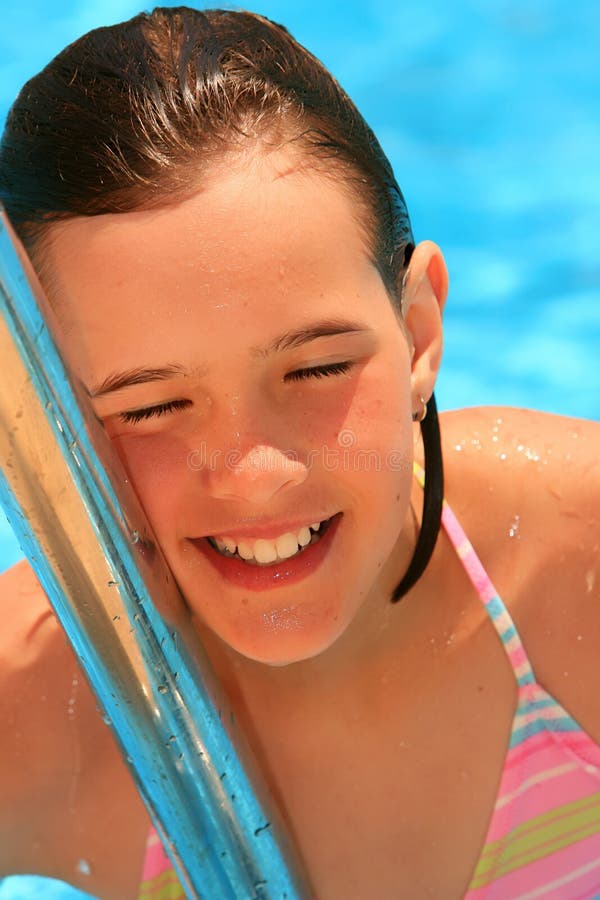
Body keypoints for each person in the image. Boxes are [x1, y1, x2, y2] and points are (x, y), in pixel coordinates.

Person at [0, 7, 599, 899]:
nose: (254, 476)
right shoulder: (47, 709)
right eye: (153, 404)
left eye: (316, 367)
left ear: (419, 330)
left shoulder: (577, 564)